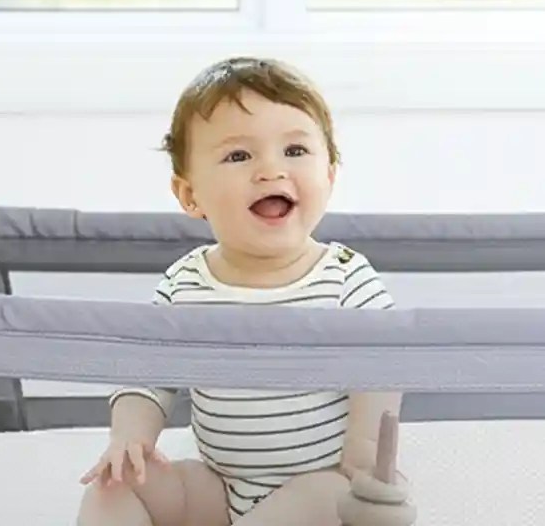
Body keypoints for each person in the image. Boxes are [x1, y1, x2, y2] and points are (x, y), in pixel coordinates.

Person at [75, 56, 402, 526]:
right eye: (238, 156)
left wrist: (366, 457)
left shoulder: (346, 276)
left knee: (331, 497)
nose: (270, 171)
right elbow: (145, 373)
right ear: (190, 195)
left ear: (329, 175)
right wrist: (131, 437)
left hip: (320, 479)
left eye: (294, 151)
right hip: (219, 486)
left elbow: (386, 366)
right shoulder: (185, 282)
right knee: (118, 484)